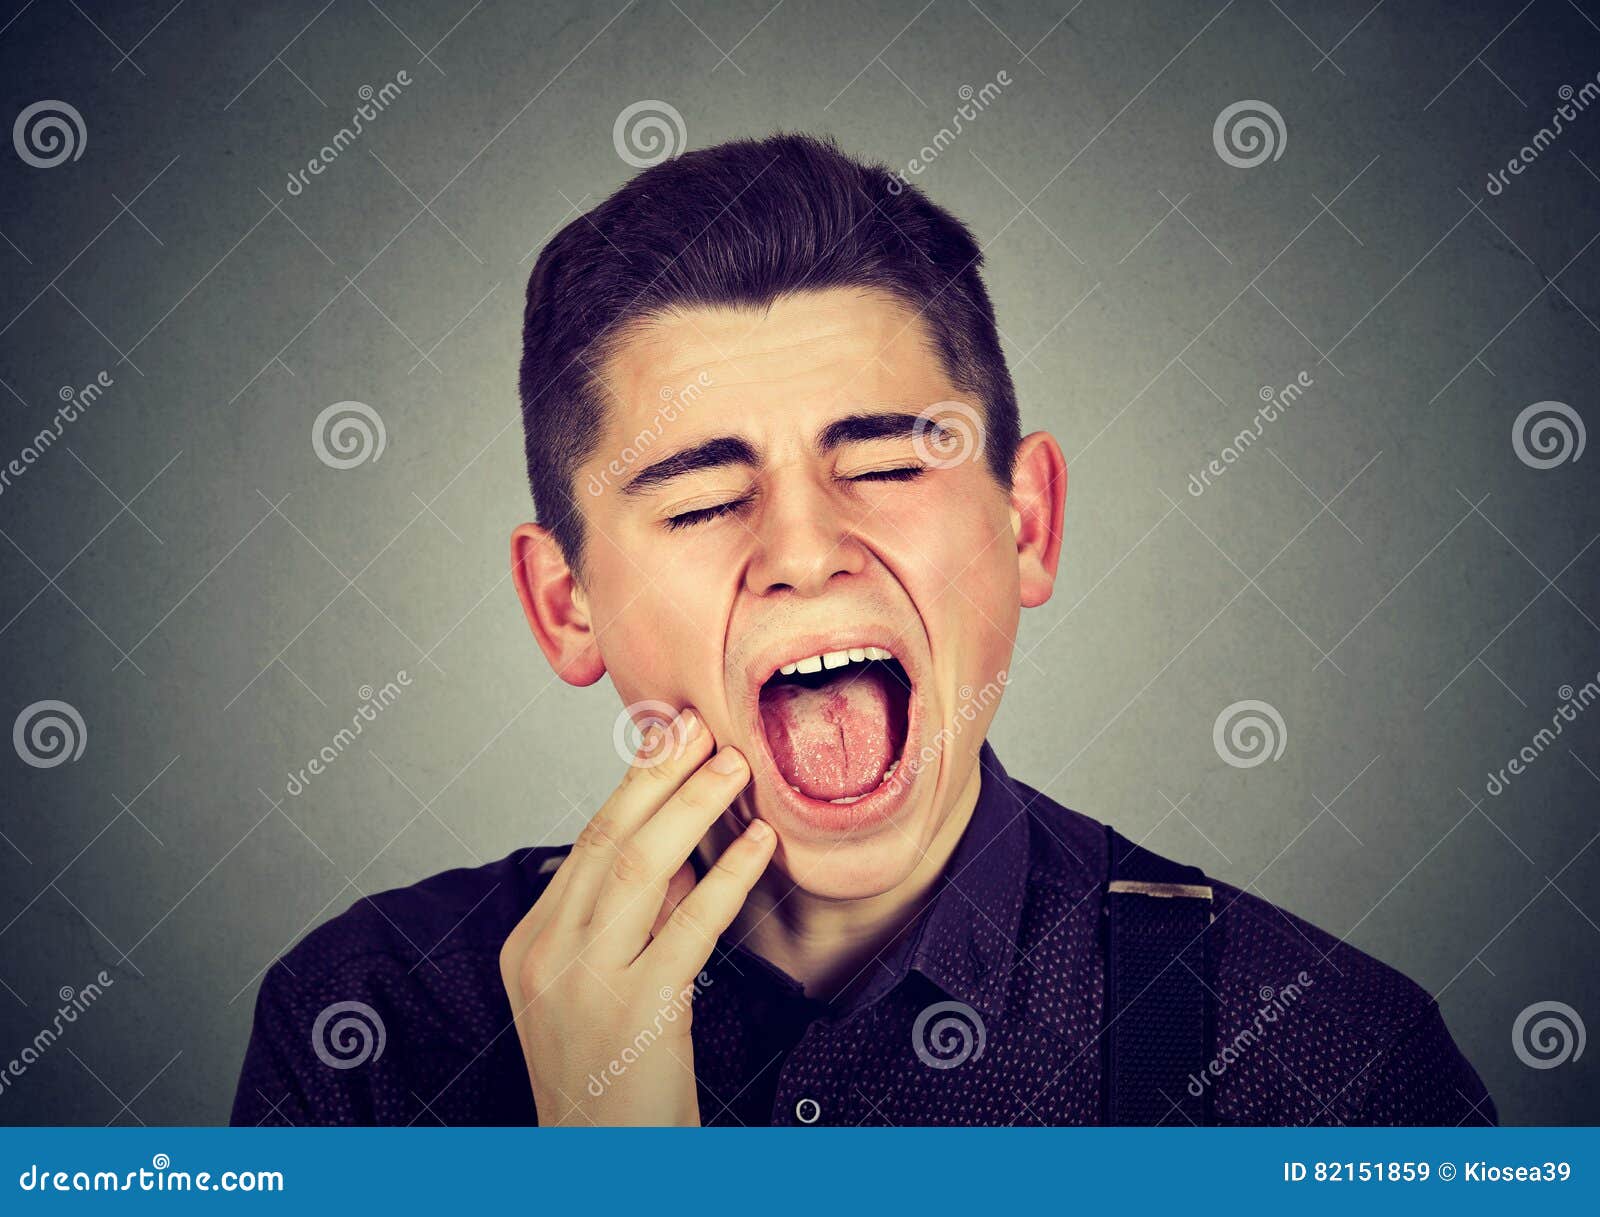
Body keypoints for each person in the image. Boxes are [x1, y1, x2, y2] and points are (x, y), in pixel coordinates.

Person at [231, 133, 1494, 1127]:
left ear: (1027, 522)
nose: (801, 550)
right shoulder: (367, 1026)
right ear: (567, 605)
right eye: (706, 497)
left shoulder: (1328, 1057)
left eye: (887, 464)